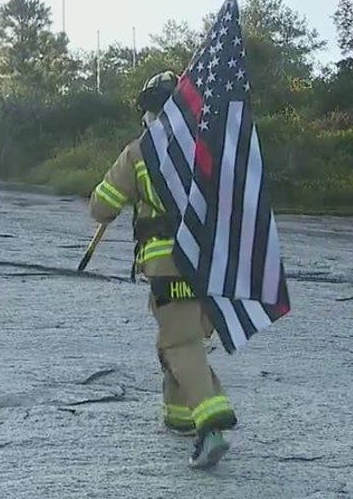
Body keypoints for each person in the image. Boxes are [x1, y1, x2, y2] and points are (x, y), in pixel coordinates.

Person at [88, 71, 237, 469]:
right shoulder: (207, 149)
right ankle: (180, 418)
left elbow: (101, 207)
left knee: (179, 343)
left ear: (149, 113)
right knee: (177, 339)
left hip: (167, 262)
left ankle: (210, 429)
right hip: (209, 263)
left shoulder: (139, 152)